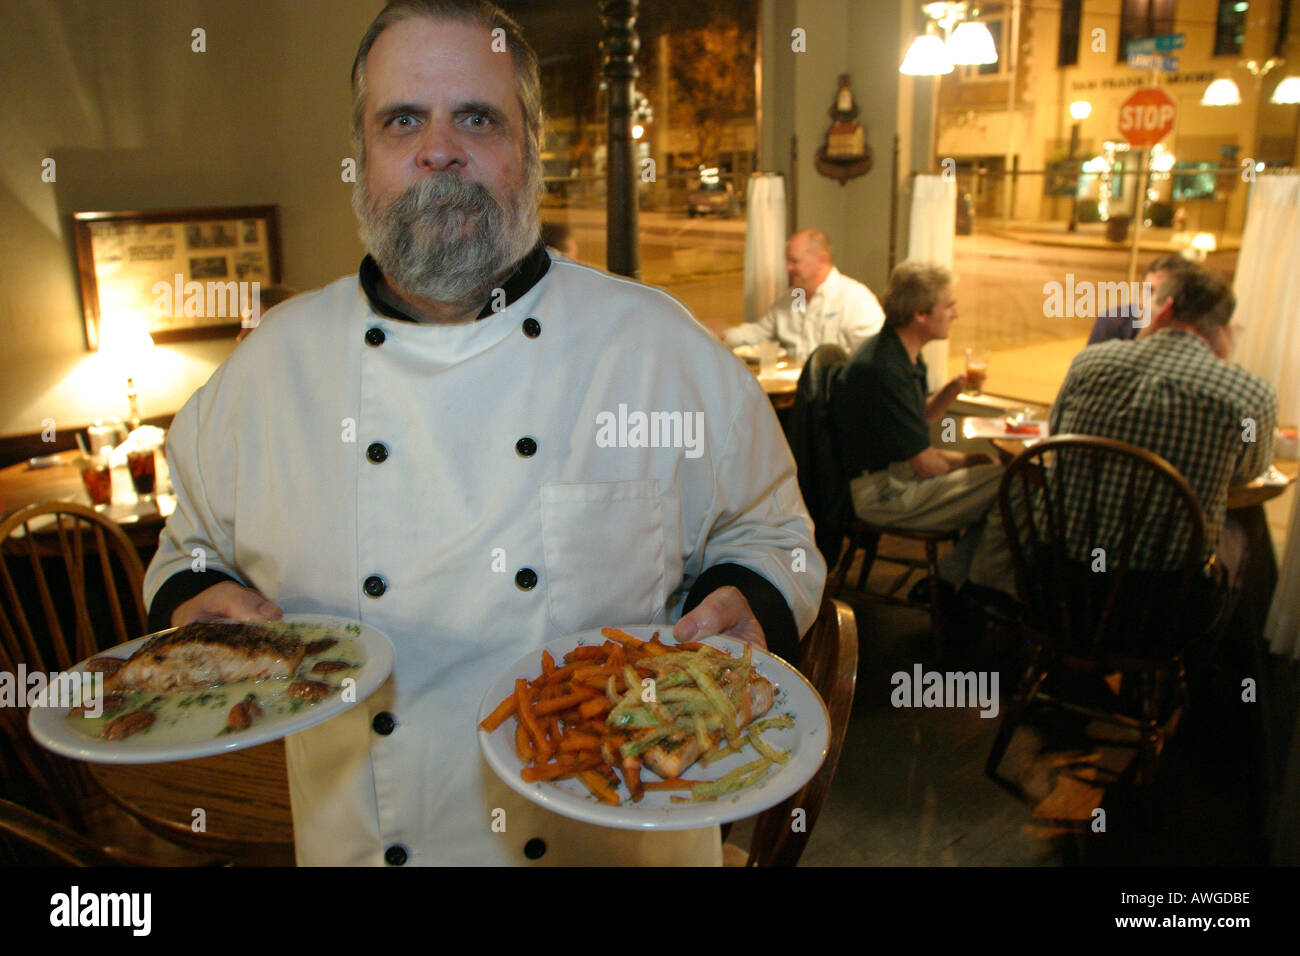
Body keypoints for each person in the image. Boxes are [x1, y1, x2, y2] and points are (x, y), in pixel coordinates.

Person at [143, 0, 823, 867]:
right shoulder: (268, 372)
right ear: (361, 156)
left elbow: (775, 535)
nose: (439, 149)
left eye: (476, 116)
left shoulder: (659, 349)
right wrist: (192, 602)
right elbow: (187, 552)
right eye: (401, 121)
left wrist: (750, 599)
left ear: (532, 149)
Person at [1051, 265, 1277, 584]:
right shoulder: (1250, 395)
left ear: (1165, 309)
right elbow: (1247, 472)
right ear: (1223, 327)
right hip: (1164, 590)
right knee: (1242, 539)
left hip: (1062, 571)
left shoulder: (1088, 364)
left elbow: (1058, 430)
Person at [830, 260, 1013, 600]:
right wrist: (966, 463)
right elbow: (925, 465)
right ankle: (981, 589)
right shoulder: (882, 367)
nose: (956, 313)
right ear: (920, 314)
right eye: (949, 305)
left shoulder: (902, 353)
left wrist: (953, 389)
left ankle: (950, 579)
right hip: (880, 493)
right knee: (1011, 484)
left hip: (896, 477)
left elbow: (914, 421)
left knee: (1000, 479)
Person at [722, 229, 884, 361]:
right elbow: (758, 333)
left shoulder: (853, 299)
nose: (788, 268)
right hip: (790, 393)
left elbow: (878, 353)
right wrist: (723, 334)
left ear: (822, 260)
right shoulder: (793, 299)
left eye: (794, 261)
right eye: (787, 261)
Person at [1085, 253, 1195, 346]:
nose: (1150, 301)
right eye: (1148, 290)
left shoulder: (1189, 334)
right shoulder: (1113, 321)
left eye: (1162, 295)